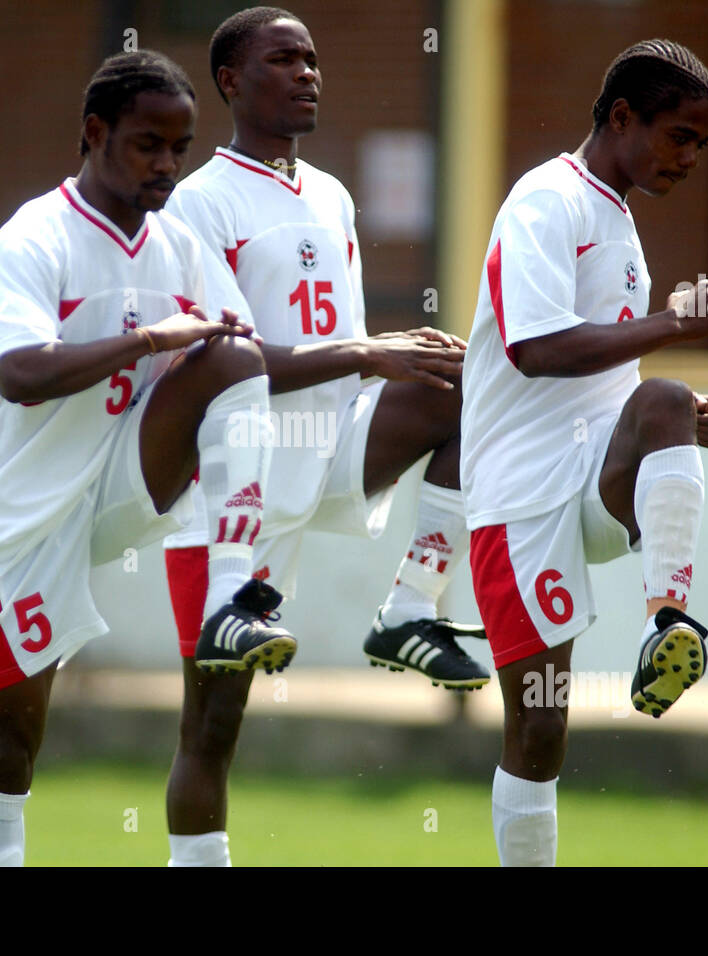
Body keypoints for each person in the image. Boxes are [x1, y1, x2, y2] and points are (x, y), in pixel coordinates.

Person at [160, 6, 487, 868]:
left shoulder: (332, 193)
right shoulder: (198, 201)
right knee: (213, 721)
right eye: (284, 59)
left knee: (463, 389)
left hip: (331, 442)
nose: (308, 73)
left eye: (312, 59)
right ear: (231, 81)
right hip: (237, 486)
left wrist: (401, 360)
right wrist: (371, 351)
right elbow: (226, 360)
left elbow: (337, 340)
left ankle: (412, 608)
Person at [0, 50, 290, 867]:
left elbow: (249, 359)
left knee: (235, 365)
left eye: (180, 148)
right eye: (148, 145)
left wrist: (365, 353)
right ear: (95, 134)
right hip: (19, 510)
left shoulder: (178, 245)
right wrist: (149, 339)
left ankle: (231, 598)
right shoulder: (34, 236)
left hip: (121, 479)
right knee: (7, 752)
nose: (168, 166)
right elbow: (19, 373)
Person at [462, 39, 708, 866]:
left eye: (702, 144)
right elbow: (535, 349)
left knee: (663, 399)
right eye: (678, 136)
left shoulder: (618, 217)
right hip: (518, 494)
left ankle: (669, 621)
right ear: (622, 117)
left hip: (587, 476)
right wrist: (672, 325)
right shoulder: (546, 201)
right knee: (540, 726)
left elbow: (609, 373)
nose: (690, 158)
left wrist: (669, 421)